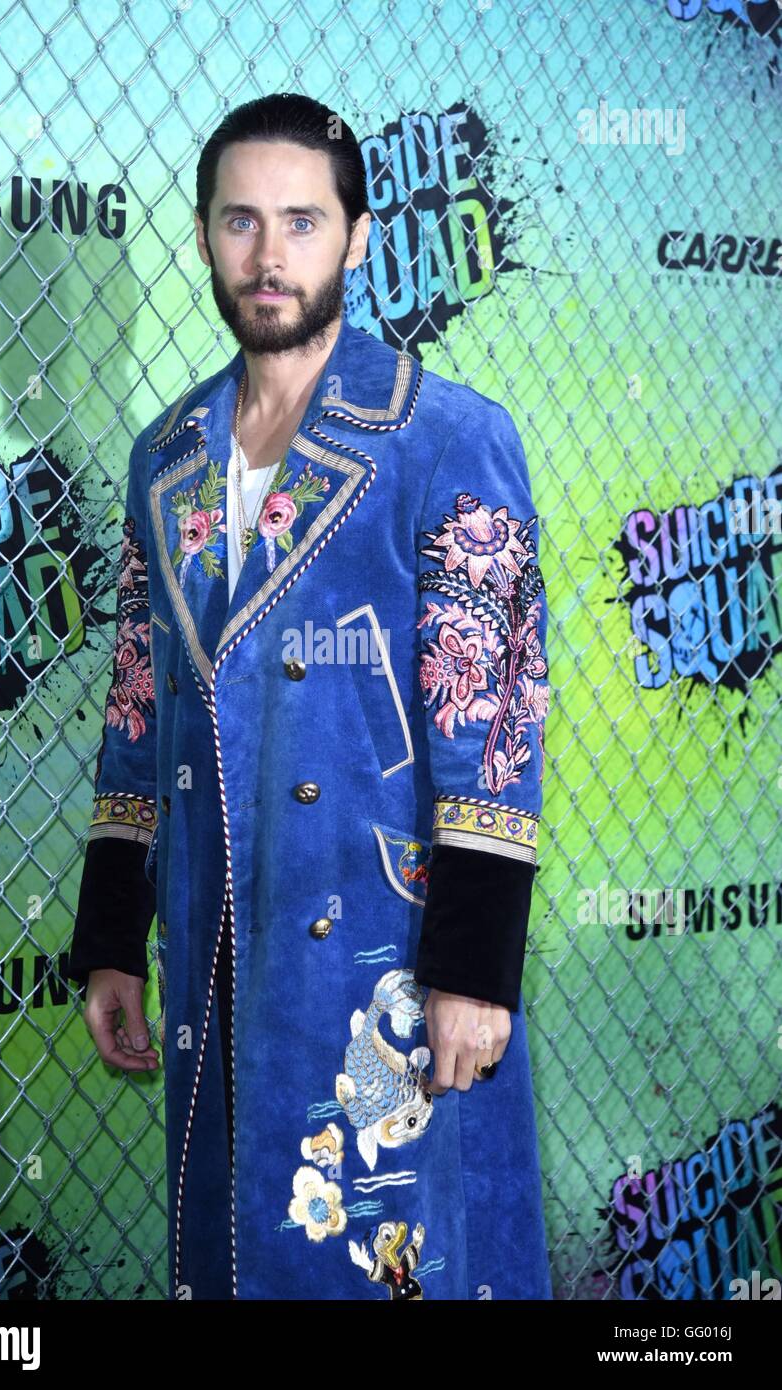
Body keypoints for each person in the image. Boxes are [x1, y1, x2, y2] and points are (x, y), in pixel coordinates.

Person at [68, 92, 552, 1301]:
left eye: (300, 219)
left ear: (358, 238)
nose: (268, 254)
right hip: (216, 924)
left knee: (385, 1258)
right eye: (240, 220)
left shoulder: (441, 436)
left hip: (377, 955)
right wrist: (112, 935)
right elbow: (141, 696)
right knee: (231, 1248)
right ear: (201, 237)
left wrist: (474, 970)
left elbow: (492, 716)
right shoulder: (166, 454)